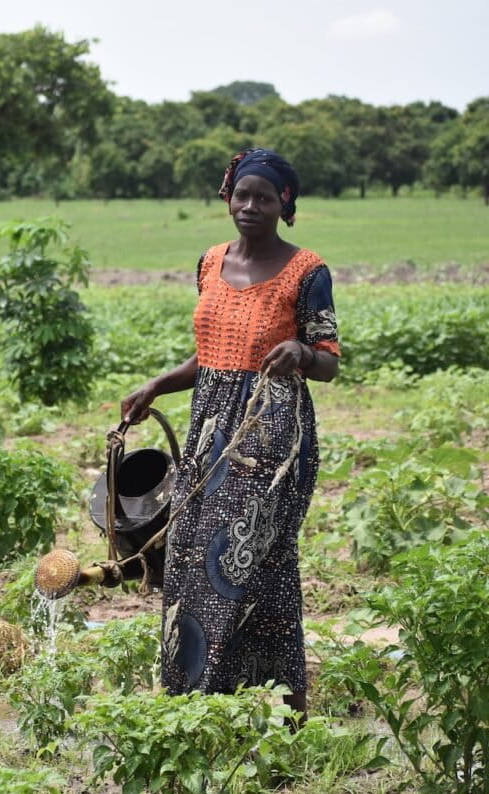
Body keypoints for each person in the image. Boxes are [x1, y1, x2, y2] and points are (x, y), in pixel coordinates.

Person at [120, 148, 340, 718]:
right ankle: (201, 700)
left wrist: (300, 352)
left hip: (271, 434)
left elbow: (329, 359)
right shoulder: (209, 262)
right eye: (242, 195)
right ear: (228, 196)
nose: (249, 206)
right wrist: (156, 386)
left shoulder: (307, 271)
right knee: (193, 555)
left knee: (242, 559)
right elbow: (211, 355)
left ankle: (262, 705)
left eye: (263, 197)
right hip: (208, 431)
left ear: (283, 204)